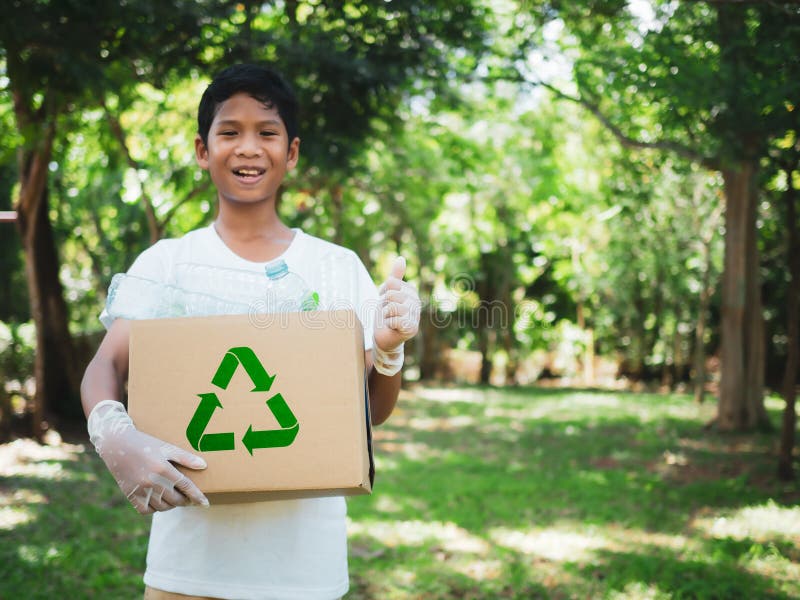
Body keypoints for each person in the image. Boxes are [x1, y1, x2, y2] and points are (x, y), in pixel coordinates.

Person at [80, 63, 421, 600]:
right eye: (229, 132)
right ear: (202, 149)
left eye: (266, 132)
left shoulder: (336, 267)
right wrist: (113, 434)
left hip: (304, 570)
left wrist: (388, 350)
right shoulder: (168, 264)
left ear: (291, 153)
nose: (247, 147)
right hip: (186, 567)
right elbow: (105, 365)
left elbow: (365, 414)